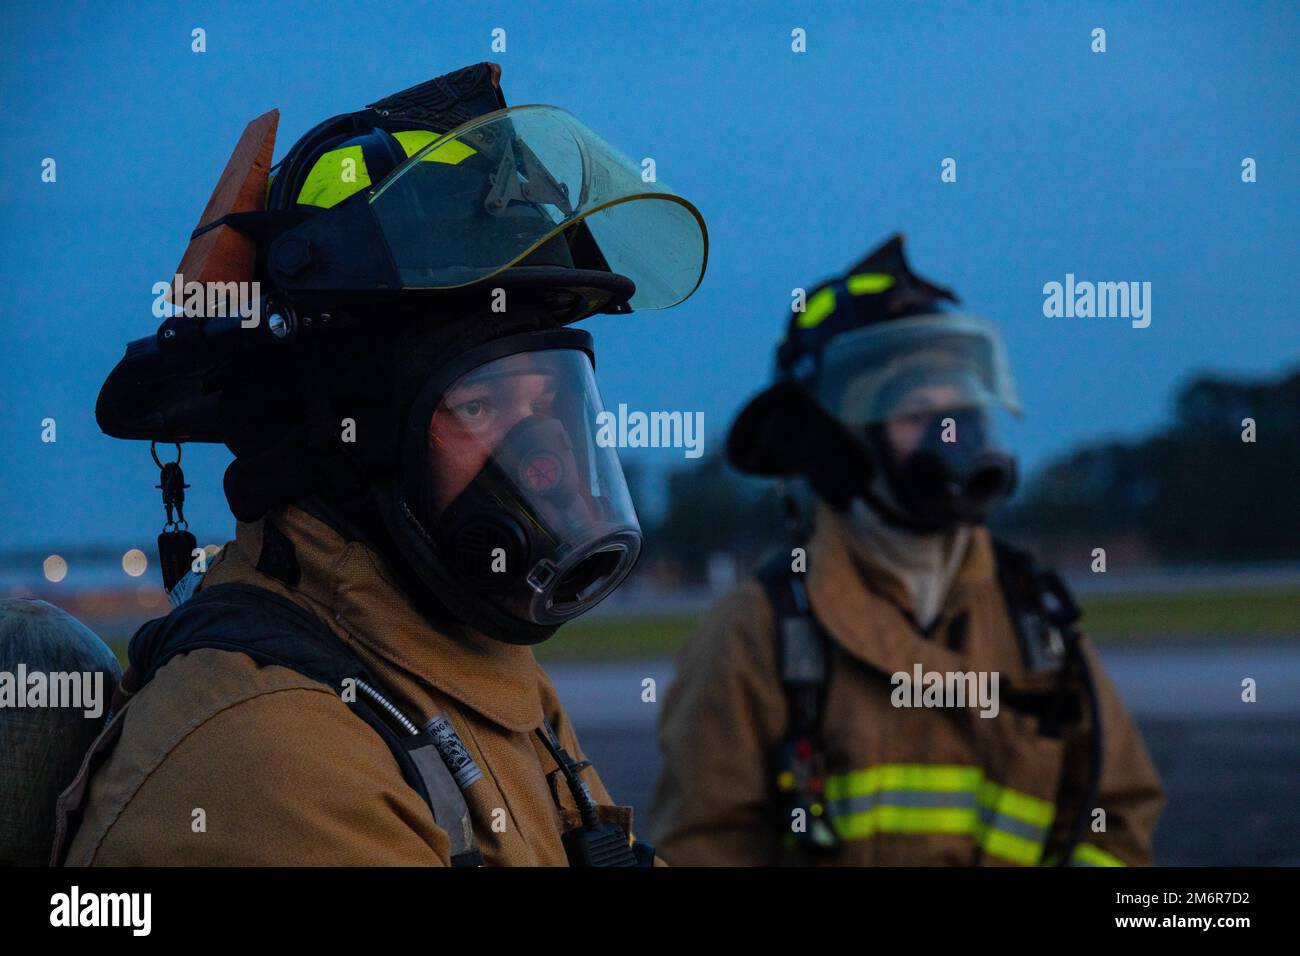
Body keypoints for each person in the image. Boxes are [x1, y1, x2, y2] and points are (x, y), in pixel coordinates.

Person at [54, 62, 707, 867]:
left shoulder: (474, 672)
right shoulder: (271, 761)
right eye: (481, 405)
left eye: (550, 401)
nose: (544, 457)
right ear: (347, 441)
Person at [650, 235, 1163, 866]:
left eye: (962, 406)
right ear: (839, 446)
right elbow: (704, 849)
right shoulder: (757, 634)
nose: (957, 434)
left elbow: (1116, 818)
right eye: (918, 412)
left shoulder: (1039, 617)